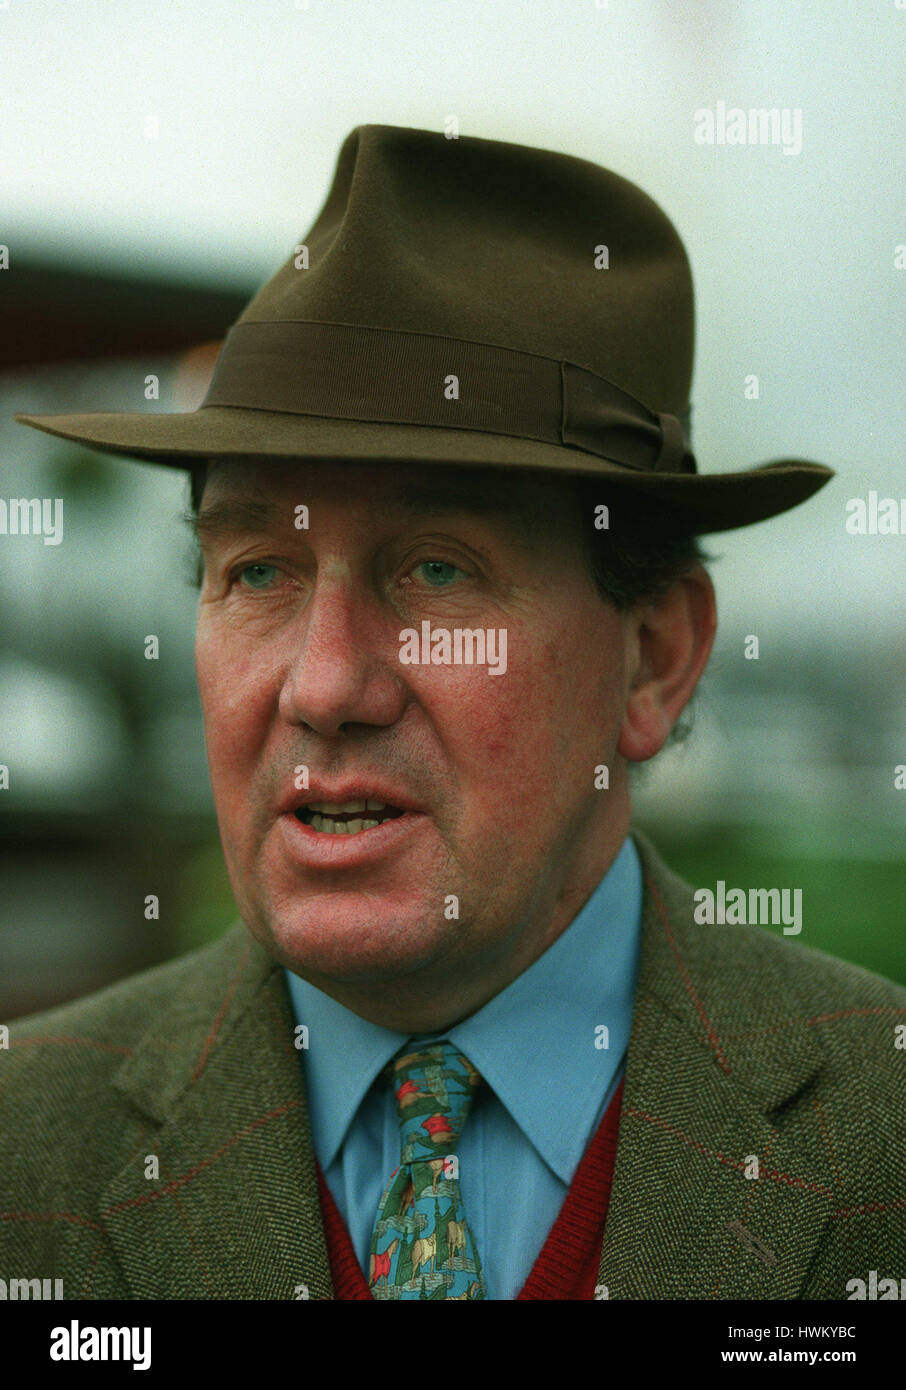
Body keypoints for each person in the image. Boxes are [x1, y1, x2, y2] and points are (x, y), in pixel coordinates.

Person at [4, 124, 903, 1301]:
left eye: (436, 569)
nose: (323, 688)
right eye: (259, 571)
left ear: (653, 657)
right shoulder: (27, 1157)